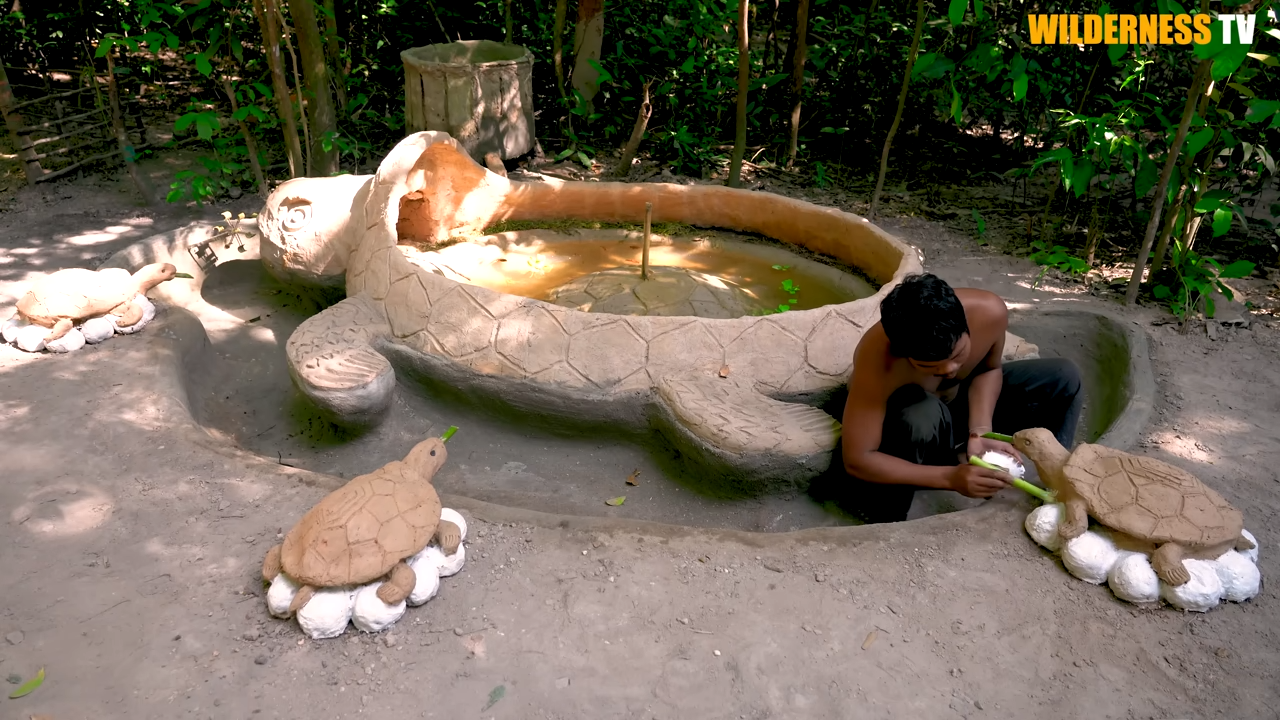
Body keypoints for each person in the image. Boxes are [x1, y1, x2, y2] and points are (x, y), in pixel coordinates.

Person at [835, 273, 1083, 523]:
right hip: (915, 438)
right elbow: (858, 459)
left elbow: (988, 369)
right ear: (903, 353)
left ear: (965, 325)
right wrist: (950, 478)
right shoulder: (878, 358)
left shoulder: (989, 313)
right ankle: (888, 520)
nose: (949, 371)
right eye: (929, 366)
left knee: (1064, 376)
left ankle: (1058, 484)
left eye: (958, 355)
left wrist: (981, 431)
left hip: (960, 413)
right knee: (919, 412)